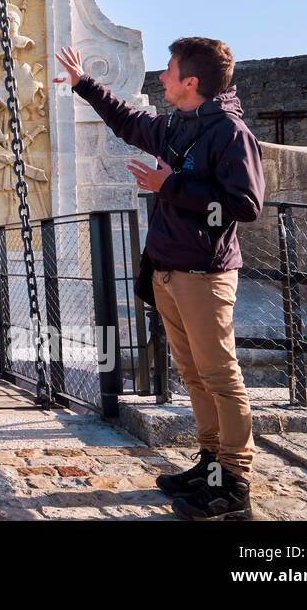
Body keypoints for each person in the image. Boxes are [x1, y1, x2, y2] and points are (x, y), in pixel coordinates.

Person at [53, 38, 265, 521]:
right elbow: (130, 122)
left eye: (169, 70)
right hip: (169, 271)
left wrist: (170, 186)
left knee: (221, 376)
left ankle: (235, 481)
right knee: (193, 375)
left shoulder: (230, 133)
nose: (162, 77)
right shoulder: (177, 125)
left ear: (191, 82)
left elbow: (245, 206)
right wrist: (85, 83)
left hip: (204, 275)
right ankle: (211, 465)